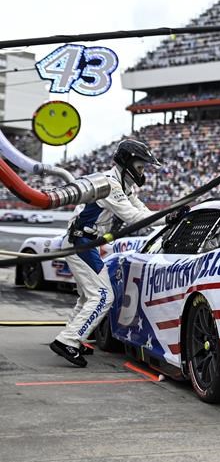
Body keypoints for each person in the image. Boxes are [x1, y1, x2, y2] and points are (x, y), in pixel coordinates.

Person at [49, 139, 165, 367]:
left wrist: (169, 217)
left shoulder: (123, 185)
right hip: (80, 243)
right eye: (140, 167)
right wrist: (167, 217)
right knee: (103, 296)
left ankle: (73, 338)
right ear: (127, 162)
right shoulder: (111, 185)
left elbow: (143, 212)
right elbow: (133, 217)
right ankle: (67, 341)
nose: (142, 172)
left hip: (84, 243)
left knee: (87, 297)